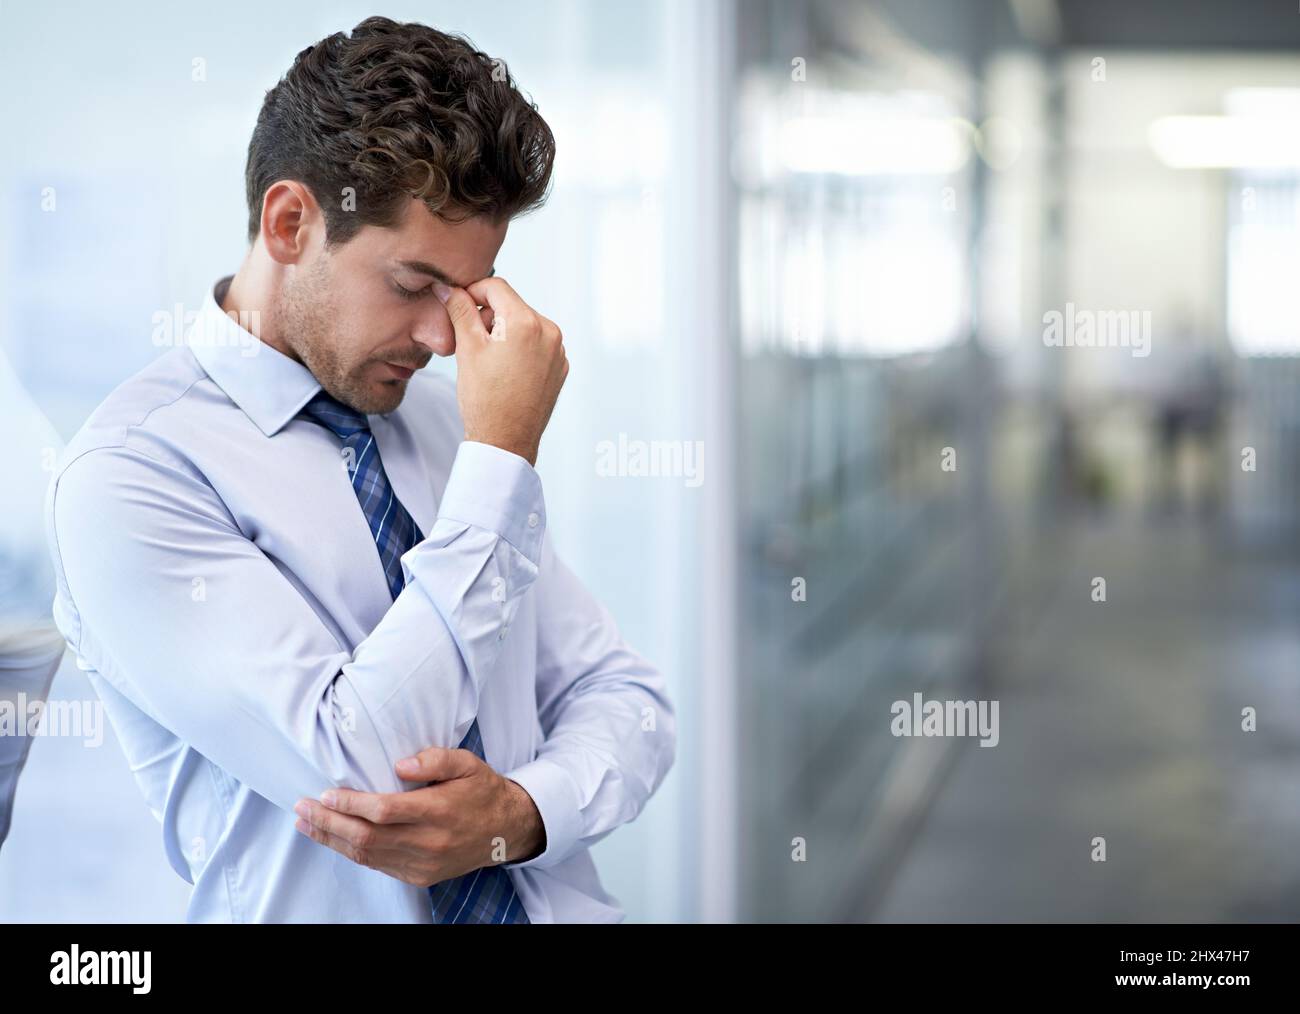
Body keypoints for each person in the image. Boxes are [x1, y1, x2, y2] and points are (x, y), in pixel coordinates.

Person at [43, 16, 675, 923]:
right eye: (415, 285)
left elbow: (625, 697)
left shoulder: (442, 424)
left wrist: (526, 812)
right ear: (292, 222)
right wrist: (500, 462)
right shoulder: (132, 474)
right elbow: (365, 770)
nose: (439, 338)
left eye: (463, 294)